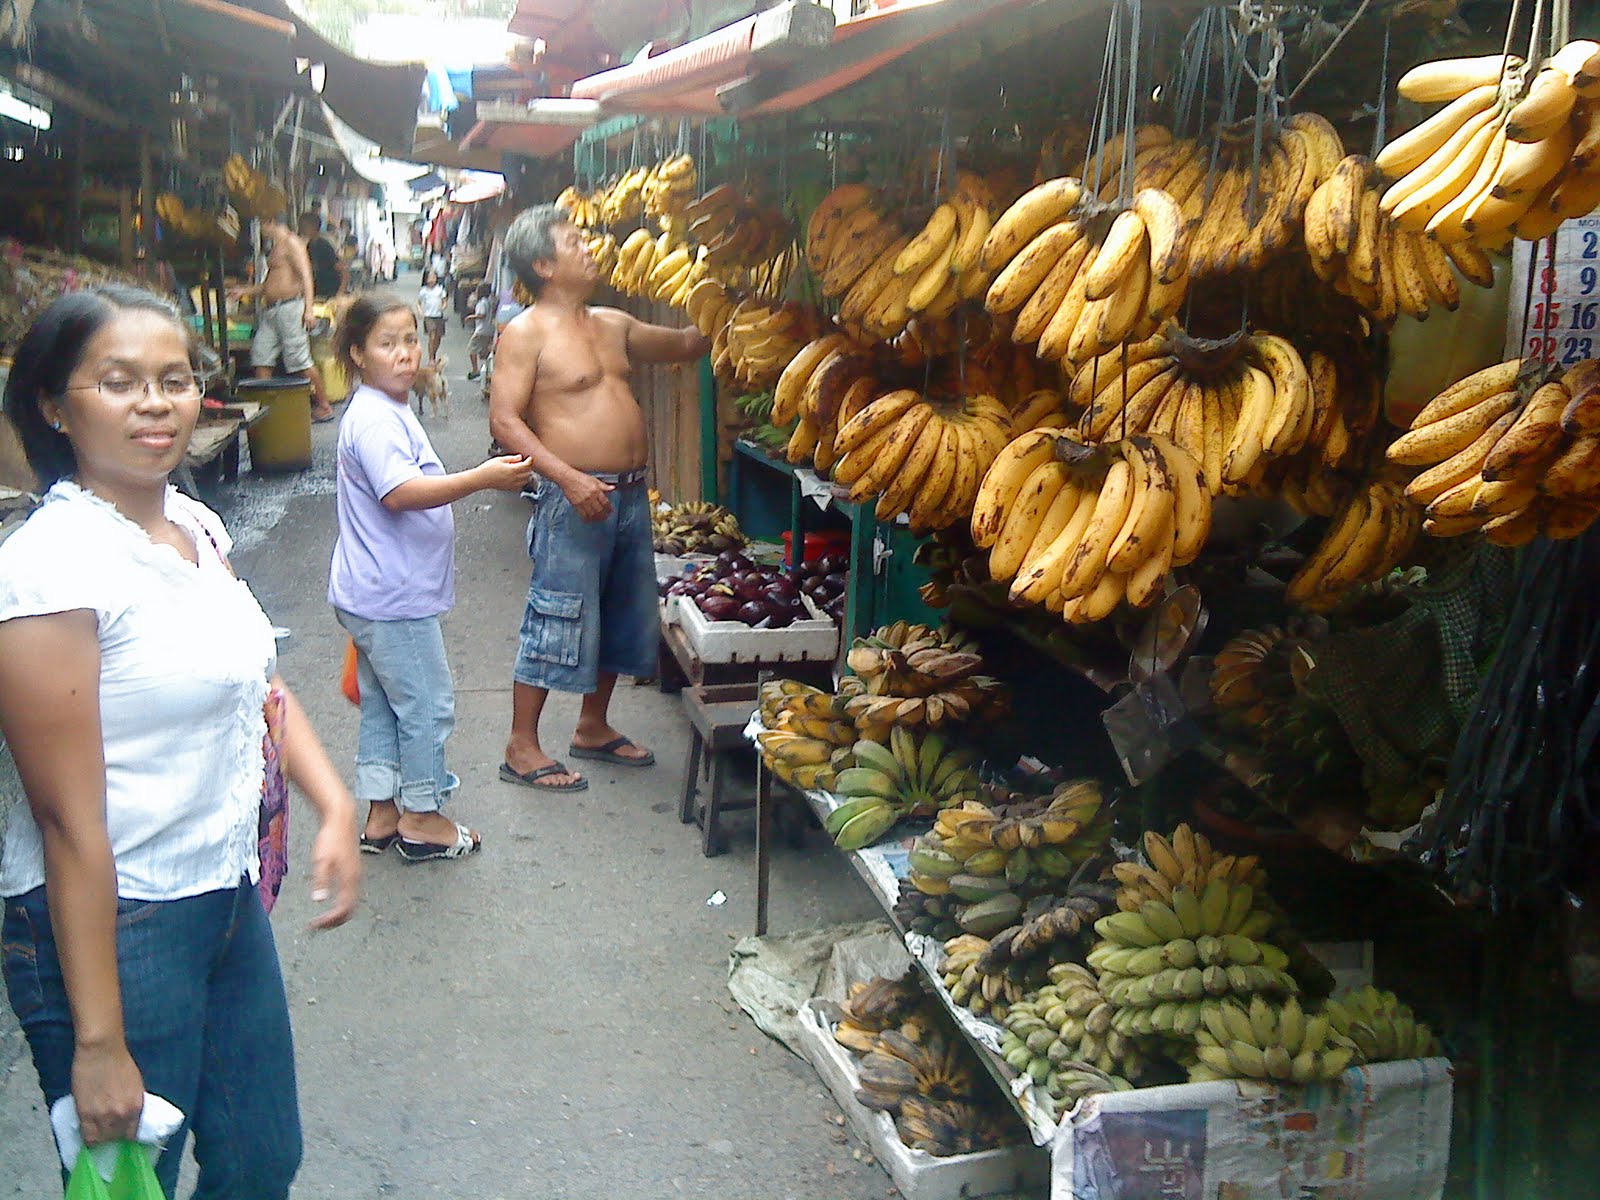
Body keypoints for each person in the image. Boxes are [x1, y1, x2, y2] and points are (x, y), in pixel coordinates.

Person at [0, 285, 361, 1196]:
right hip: (116, 922)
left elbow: (260, 686)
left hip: (224, 895)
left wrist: (334, 800)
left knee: (259, 1157)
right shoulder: (47, 570)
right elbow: (67, 823)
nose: (155, 403)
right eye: (118, 382)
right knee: (132, 1181)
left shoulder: (193, 526)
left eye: (175, 379)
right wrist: (98, 1043)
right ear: (53, 405)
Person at [488, 204, 711, 792]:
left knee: (620, 613)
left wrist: (724, 287)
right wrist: (567, 478)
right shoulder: (525, 332)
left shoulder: (614, 324)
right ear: (543, 263)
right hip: (574, 496)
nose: (589, 247)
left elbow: (690, 343)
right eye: (573, 241)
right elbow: (506, 422)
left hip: (631, 497)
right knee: (555, 614)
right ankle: (521, 745)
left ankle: (593, 726)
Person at [330, 294, 534, 858]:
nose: (404, 354)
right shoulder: (374, 420)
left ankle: (381, 815)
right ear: (358, 354)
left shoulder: (386, 408)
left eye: (411, 341)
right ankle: (423, 817)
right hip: (392, 597)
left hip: (374, 590)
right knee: (425, 704)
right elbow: (399, 494)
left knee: (384, 703)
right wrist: (482, 478)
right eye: (386, 344)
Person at [235, 213, 335, 422]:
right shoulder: (275, 246)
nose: (260, 229)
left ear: (270, 222)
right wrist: (244, 290)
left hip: (290, 309)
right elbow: (269, 284)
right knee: (261, 357)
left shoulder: (292, 243)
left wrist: (308, 309)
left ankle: (323, 405)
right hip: (271, 311)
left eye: (261, 223)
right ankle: (269, 409)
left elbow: (307, 276)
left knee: (299, 361)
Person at [299, 213, 342, 302]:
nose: (301, 229)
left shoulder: (323, 246)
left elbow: (343, 271)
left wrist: (339, 295)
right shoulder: (307, 246)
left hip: (328, 293)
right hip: (316, 294)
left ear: (313, 227)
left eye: (304, 226)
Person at [418, 269, 448, 363]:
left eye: (434, 277)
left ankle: (434, 353)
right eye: (430, 278)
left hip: (438, 316)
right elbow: (419, 303)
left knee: (438, 337)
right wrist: (420, 311)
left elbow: (444, 301)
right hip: (428, 316)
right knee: (432, 335)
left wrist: (443, 307)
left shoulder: (440, 289)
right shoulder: (423, 291)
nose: (432, 280)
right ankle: (431, 358)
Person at [466, 282, 494, 381]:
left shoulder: (482, 302)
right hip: (490, 329)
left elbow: (482, 315)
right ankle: (486, 371)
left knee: (472, 349)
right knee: (486, 351)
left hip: (481, 330)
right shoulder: (490, 302)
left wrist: (471, 317)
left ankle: (475, 370)